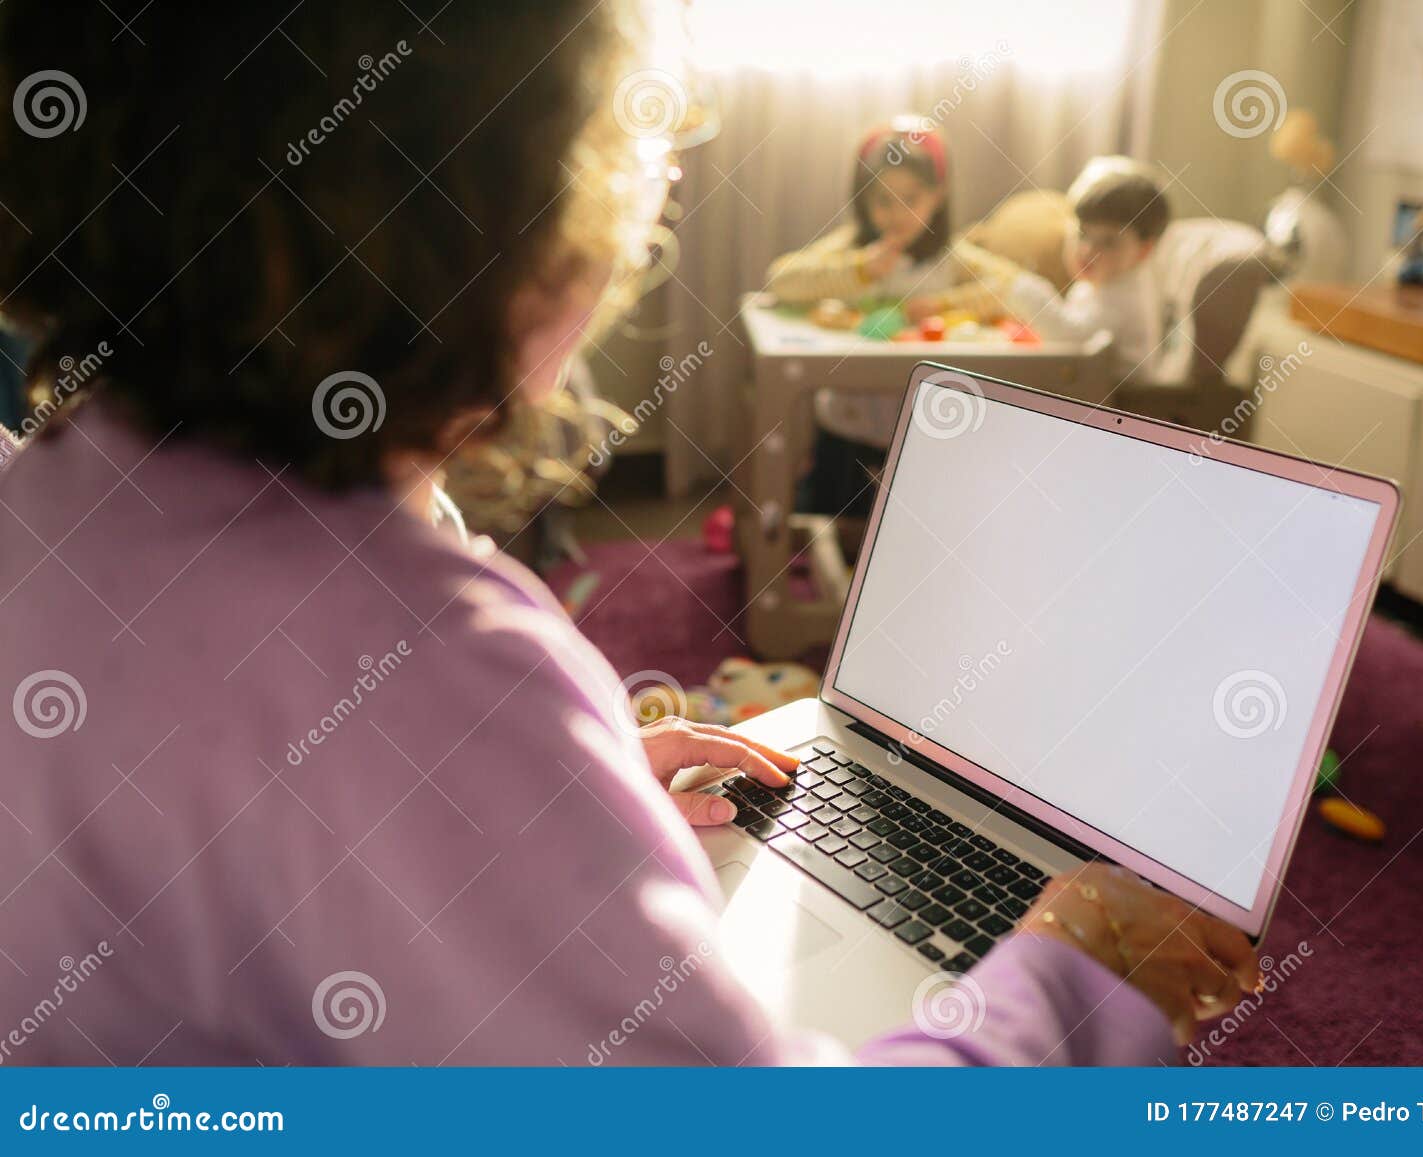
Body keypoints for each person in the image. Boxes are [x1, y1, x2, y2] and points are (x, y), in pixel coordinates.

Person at [0, 1, 1255, 1065]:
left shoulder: (32, 499)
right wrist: (1068, 975)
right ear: (524, 223)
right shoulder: (438, 676)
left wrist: (543, 810)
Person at [766, 120, 1023, 517]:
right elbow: (782, 279)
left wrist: (942, 304)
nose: (896, 214)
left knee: (915, 519)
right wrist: (859, 270)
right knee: (839, 515)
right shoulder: (855, 248)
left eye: (910, 199)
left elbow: (1008, 284)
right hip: (848, 415)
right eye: (883, 201)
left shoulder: (947, 258)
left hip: (925, 420)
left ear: (937, 197)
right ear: (863, 203)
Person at [1005, 159, 1170, 381]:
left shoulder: (1126, 298)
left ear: (1143, 251)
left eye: (1109, 242)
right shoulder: (1095, 284)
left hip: (1124, 405)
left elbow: (1070, 342)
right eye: (1082, 234)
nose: (1087, 250)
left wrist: (1026, 290)